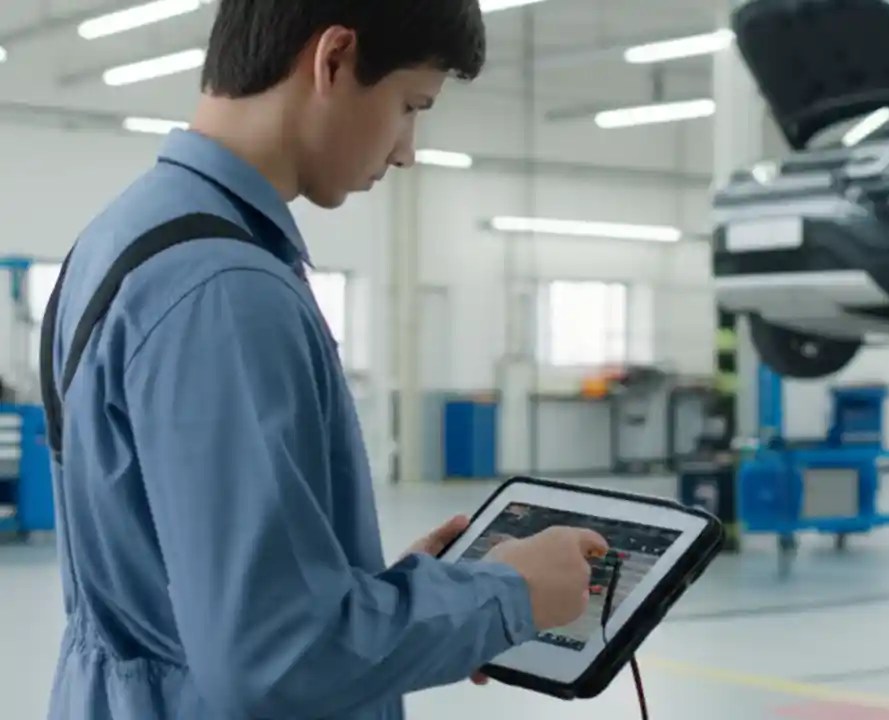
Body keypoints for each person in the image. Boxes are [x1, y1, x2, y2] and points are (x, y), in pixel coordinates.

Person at [43, 1, 607, 718]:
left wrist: (410, 593)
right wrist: (508, 595)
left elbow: (184, 581)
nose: (406, 149)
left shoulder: (125, 235)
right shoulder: (227, 289)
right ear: (333, 59)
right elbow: (276, 661)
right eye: (410, 105)